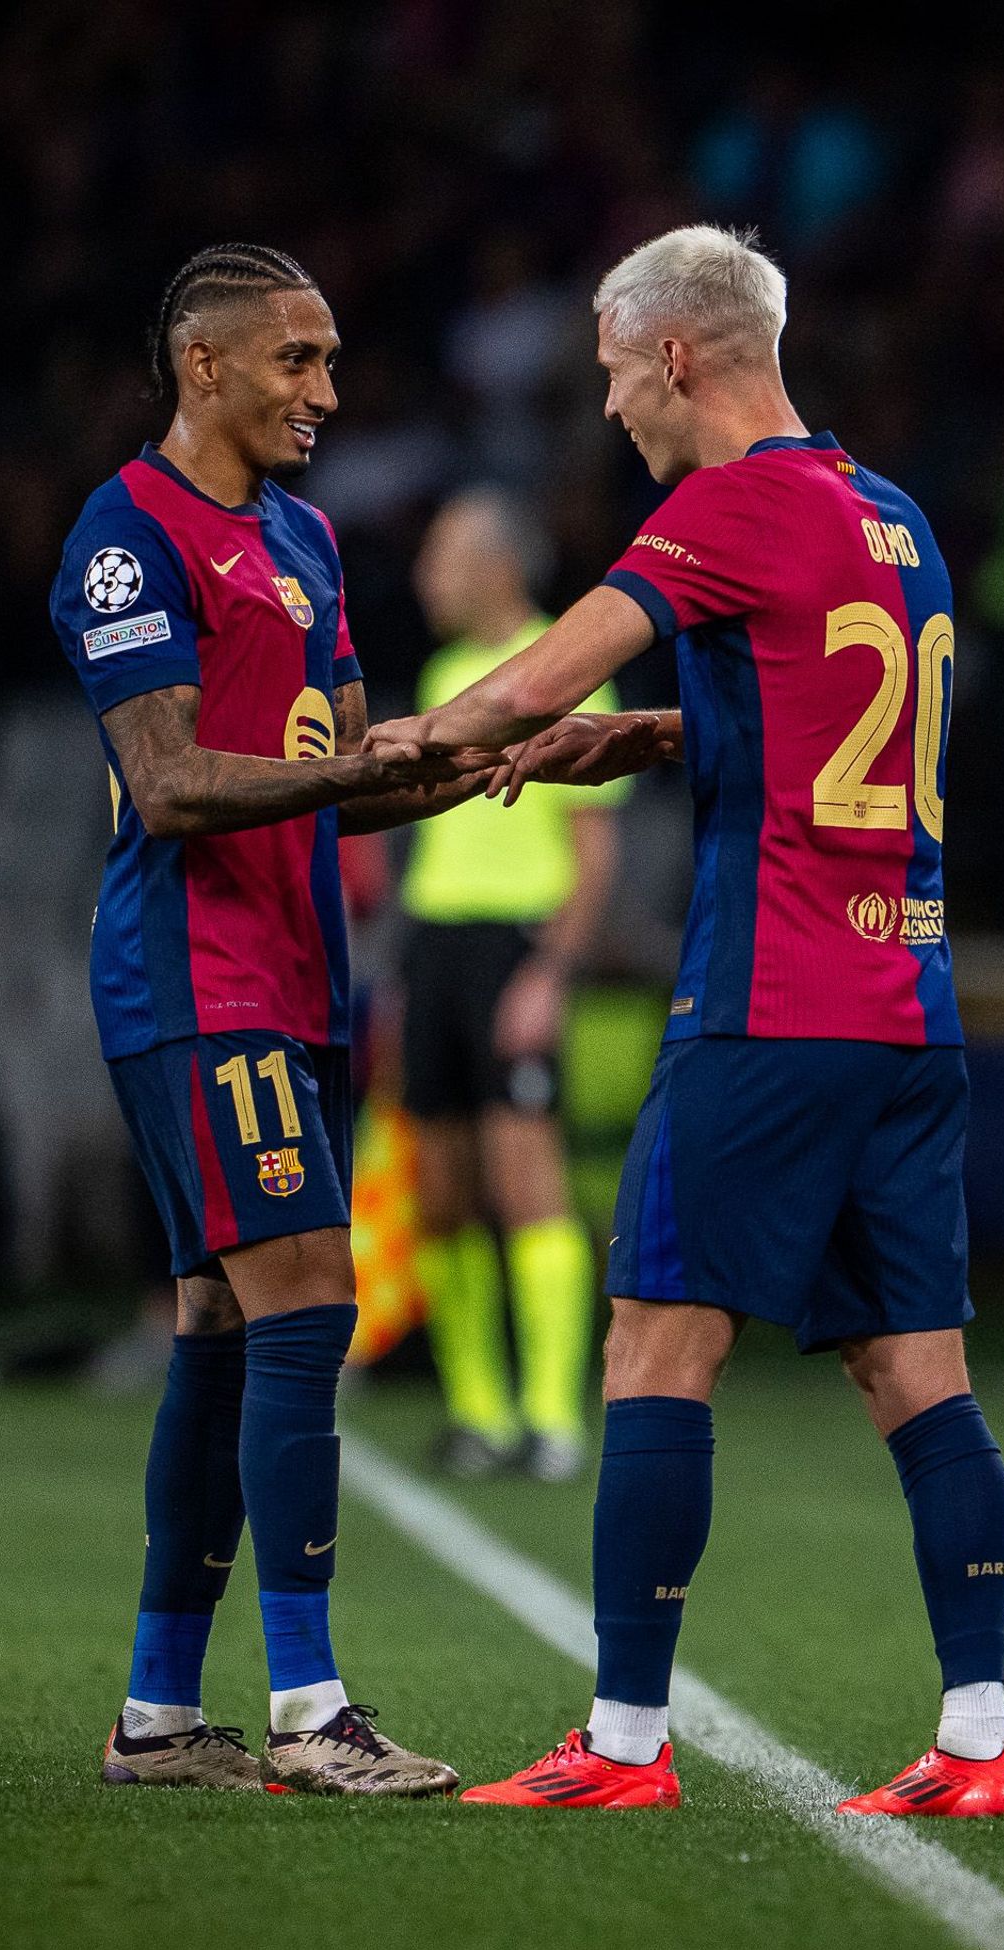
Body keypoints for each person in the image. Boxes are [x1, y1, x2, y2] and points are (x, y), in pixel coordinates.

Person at [368, 225, 1004, 1818]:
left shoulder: (725, 505)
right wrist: (648, 739)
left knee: (657, 1343)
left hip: (766, 1002)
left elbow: (530, 679)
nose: (606, 411)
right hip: (905, 1007)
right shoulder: (894, 517)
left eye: (608, 373)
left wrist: (395, 754)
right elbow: (814, 705)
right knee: (917, 1372)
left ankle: (625, 1743)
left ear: (675, 356)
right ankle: (980, 1744)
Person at [57, 243, 484, 1796]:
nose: (325, 390)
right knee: (308, 1302)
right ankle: (310, 1708)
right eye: (297, 361)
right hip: (192, 976)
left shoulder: (305, 540)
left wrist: (553, 744)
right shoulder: (126, 538)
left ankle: (160, 1715)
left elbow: (358, 766)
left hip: (304, 984)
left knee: (228, 1330)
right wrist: (365, 773)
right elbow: (171, 788)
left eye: (329, 359)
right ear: (206, 366)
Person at [396, 487, 622, 1483]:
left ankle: (551, 1414)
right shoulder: (445, 671)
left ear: (497, 565)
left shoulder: (565, 671)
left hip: (513, 947)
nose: (424, 572)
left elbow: (594, 852)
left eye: (441, 550)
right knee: (439, 1191)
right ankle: (477, 1410)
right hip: (434, 946)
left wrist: (547, 973)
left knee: (526, 1183)